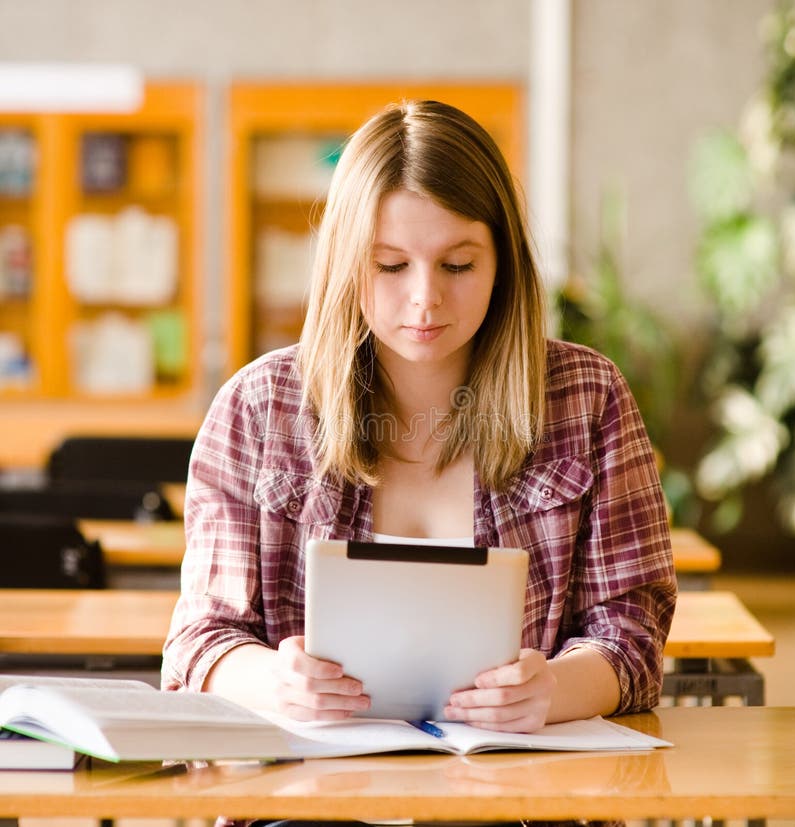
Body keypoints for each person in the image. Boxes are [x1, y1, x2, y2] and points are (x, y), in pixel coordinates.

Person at [162, 99, 676, 825]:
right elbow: (199, 641)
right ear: (346, 262)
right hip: (304, 812)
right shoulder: (258, 407)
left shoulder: (586, 398)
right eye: (391, 264)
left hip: (525, 811)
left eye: (459, 263)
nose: (424, 298)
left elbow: (633, 631)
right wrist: (275, 679)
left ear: (503, 260)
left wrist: (552, 690)